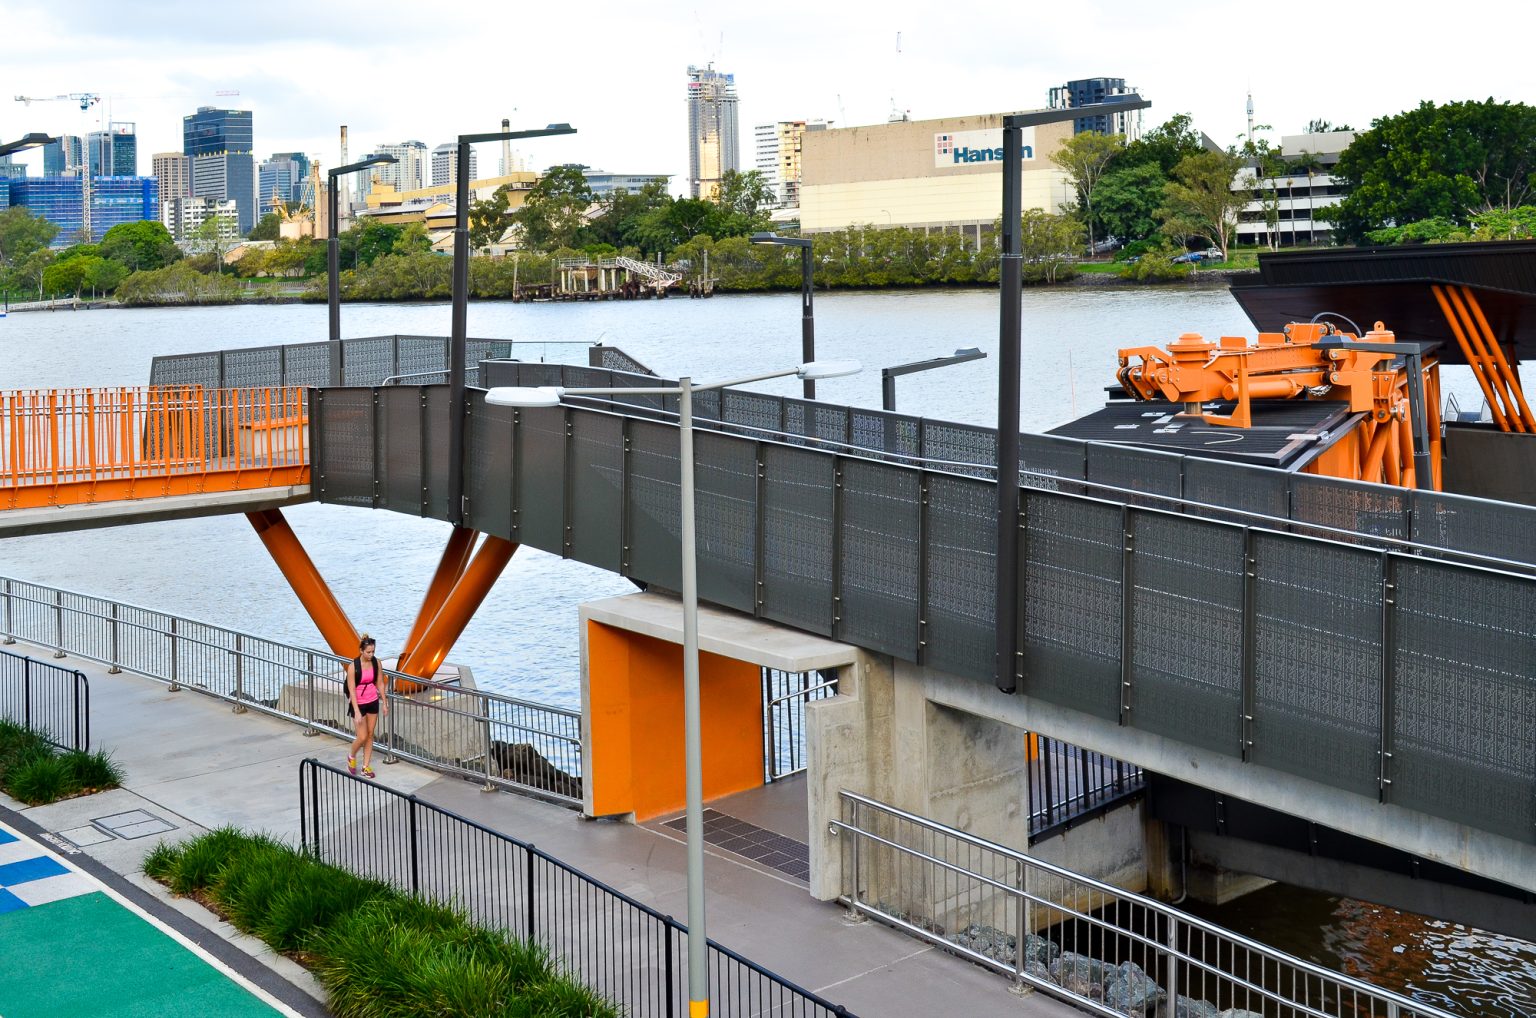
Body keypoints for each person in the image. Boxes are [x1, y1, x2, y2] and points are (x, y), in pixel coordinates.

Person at [345, 634, 387, 778]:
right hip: (359, 703)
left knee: (370, 734)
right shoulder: (353, 667)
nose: (371, 655)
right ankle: (351, 756)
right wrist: (356, 711)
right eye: (368, 652)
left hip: (372, 700)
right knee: (362, 736)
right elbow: (351, 689)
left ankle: (365, 766)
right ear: (361, 651)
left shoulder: (377, 663)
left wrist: (385, 703)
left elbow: (380, 683)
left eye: (373, 651)